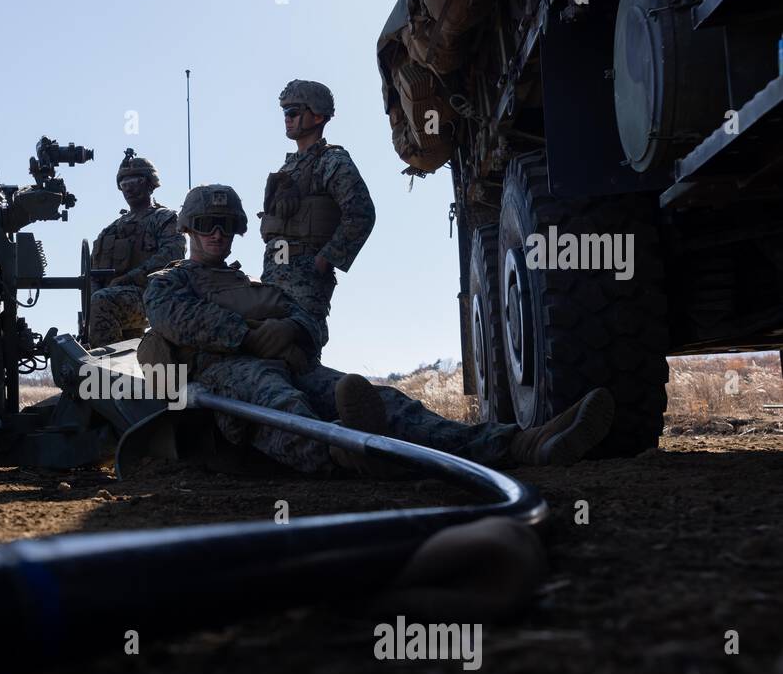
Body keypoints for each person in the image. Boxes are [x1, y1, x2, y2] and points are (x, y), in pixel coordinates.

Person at [143, 184, 615, 474]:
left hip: (291, 362)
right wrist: (246, 333)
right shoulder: (169, 281)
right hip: (231, 374)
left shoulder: (255, 284)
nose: (217, 233)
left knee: (388, 403)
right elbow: (177, 319)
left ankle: (519, 442)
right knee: (284, 410)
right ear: (188, 228)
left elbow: (304, 318)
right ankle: (345, 452)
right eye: (207, 223)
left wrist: (292, 330)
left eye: (227, 225)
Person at [259, 80, 375, 351]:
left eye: (294, 112)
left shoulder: (332, 161)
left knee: (300, 349)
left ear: (318, 115)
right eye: (284, 113)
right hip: (276, 272)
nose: (287, 119)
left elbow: (360, 214)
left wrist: (325, 259)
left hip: (305, 276)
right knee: (271, 350)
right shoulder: (289, 166)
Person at [85, 149, 184, 346]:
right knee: (97, 304)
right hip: (116, 298)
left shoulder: (165, 218)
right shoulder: (110, 230)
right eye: (124, 184)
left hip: (155, 296)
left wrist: (127, 279)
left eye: (135, 182)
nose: (129, 189)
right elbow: (92, 272)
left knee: (102, 301)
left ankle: (107, 370)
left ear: (150, 183)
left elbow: (172, 256)